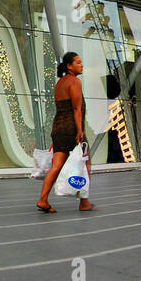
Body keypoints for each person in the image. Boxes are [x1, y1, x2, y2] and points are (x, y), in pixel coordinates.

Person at [37, 51, 92, 214]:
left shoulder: (60, 82)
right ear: (69, 66)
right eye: (78, 62)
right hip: (71, 129)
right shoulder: (74, 82)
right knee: (85, 163)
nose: (81, 65)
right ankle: (84, 202)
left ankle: (43, 199)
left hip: (58, 128)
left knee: (57, 165)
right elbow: (76, 108)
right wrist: (80, 130)